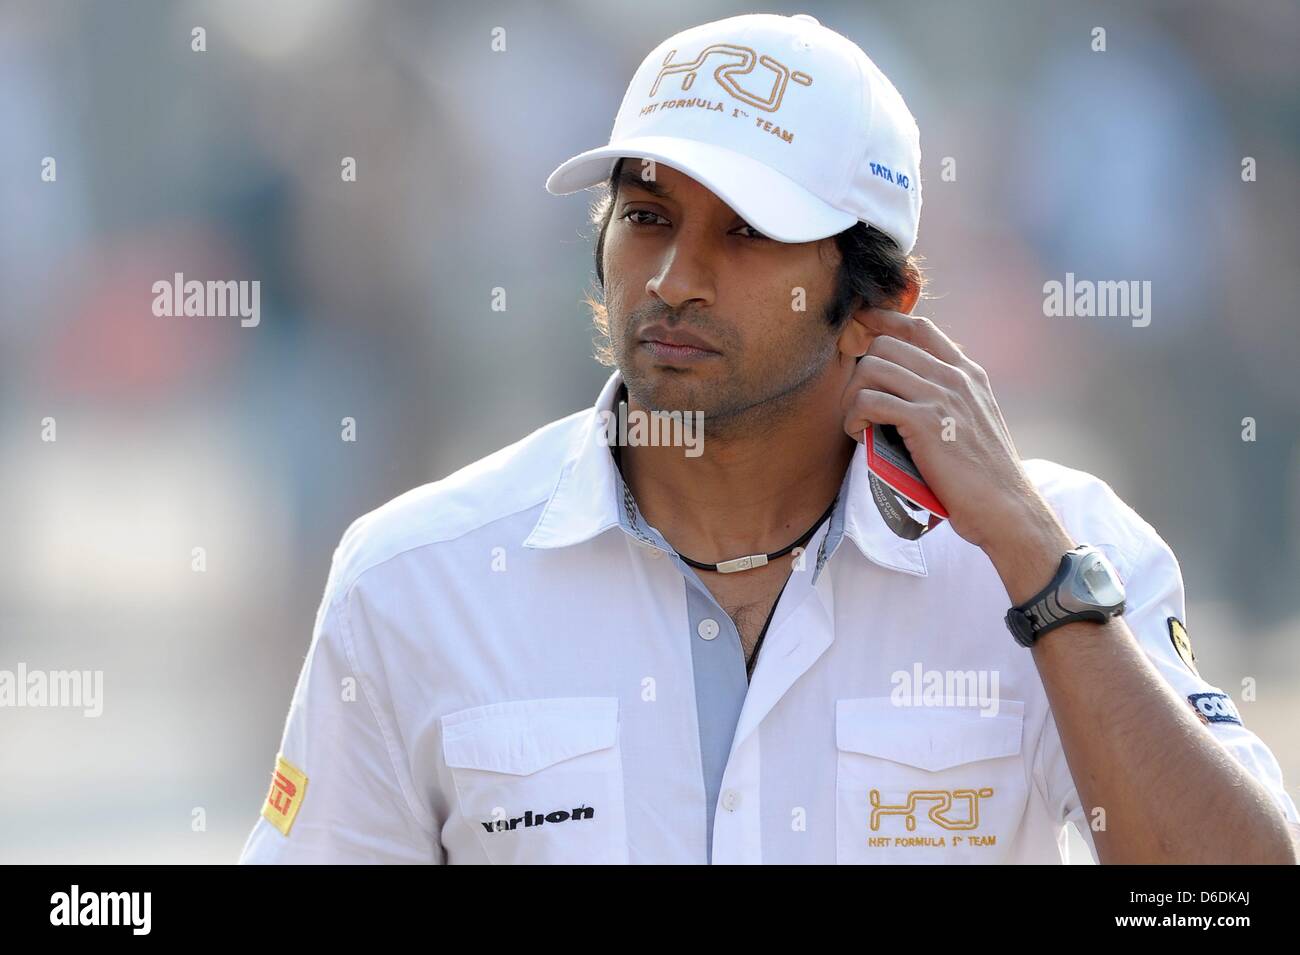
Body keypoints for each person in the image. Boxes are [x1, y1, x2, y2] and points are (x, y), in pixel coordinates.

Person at [239, 13, 1298, 864]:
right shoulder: (415, 577)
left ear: (877, 302)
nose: (671, 279)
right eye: (647, 216)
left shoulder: (1059, 554)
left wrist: (1036, 564)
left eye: (746, 232)